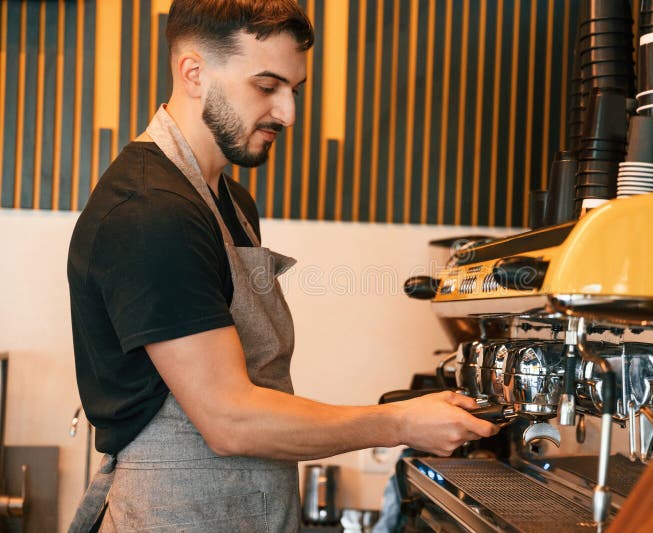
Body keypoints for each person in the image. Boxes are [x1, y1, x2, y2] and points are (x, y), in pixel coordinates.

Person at [66, 1, 498, 531]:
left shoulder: (229, 202)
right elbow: (230, 420)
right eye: (267, 86)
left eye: (295, 90)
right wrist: (400, 422)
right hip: (173, 515)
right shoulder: (150, 211)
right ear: (194, 72)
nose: (288, 113)